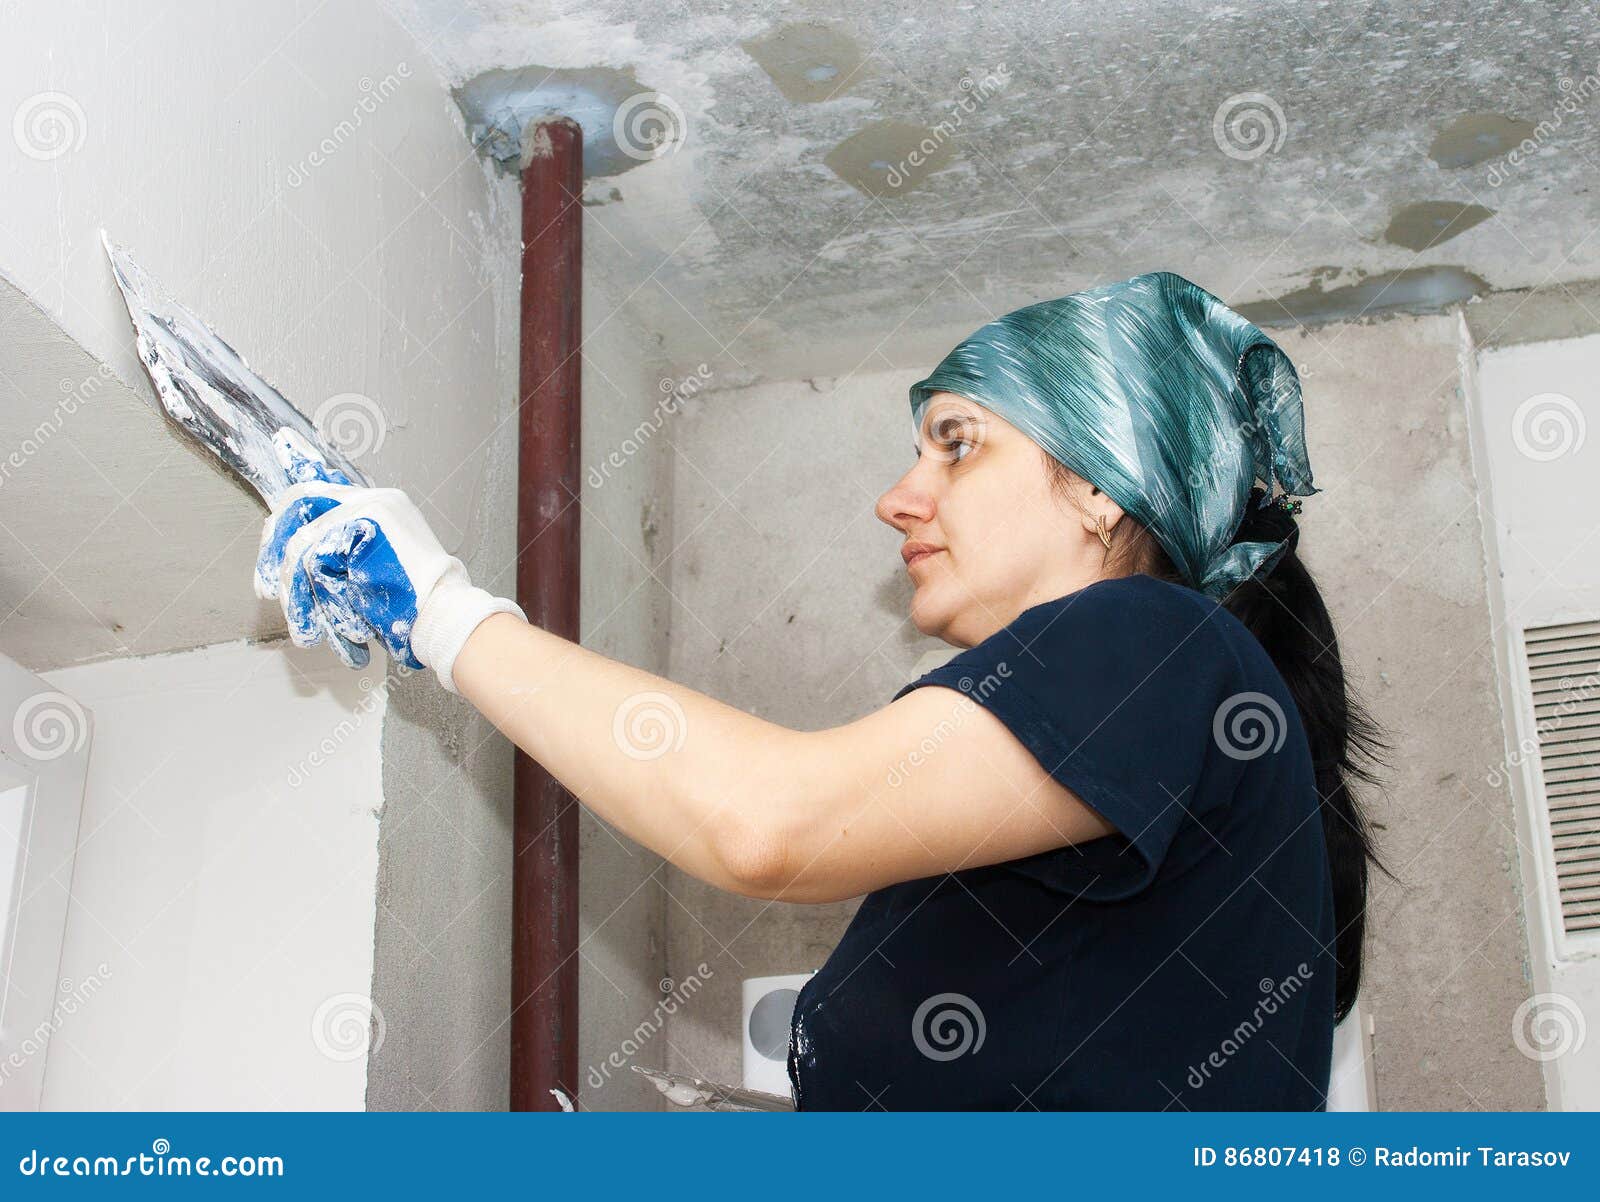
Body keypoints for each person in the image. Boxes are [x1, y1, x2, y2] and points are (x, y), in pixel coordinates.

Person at [255, 271, 1386, 1111]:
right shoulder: (1136, 715)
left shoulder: (1150, 636)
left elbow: (766, 824)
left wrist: (442, 611)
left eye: (956, 444)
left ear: (1097, 486)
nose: (899, 495)